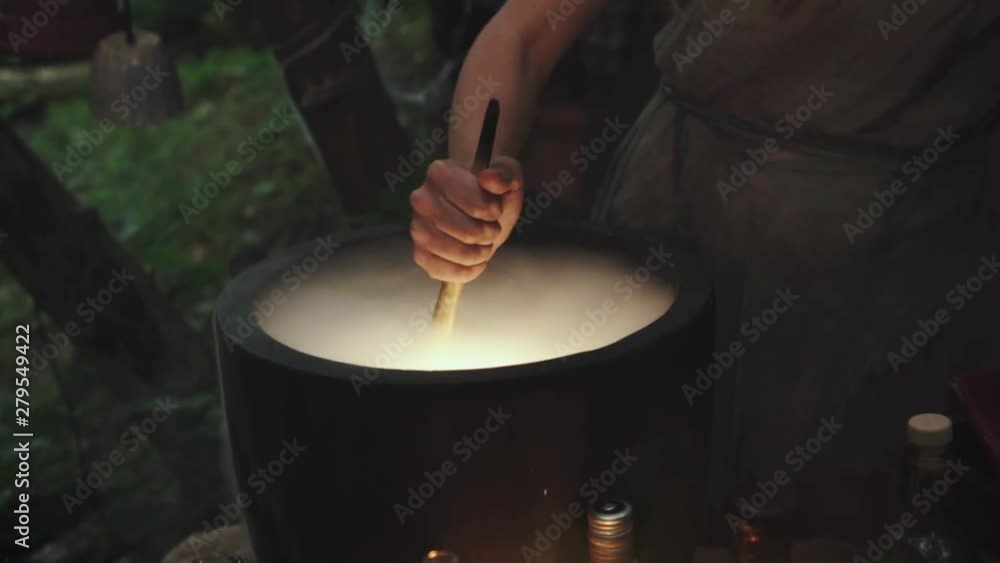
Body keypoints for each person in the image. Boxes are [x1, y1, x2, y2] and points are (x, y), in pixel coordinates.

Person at [409, 0, 1000, 545]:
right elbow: (525, 33)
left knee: (872, 518)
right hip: (681, 215)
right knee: (647, 504)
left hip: (908, 259)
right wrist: (469, 181)